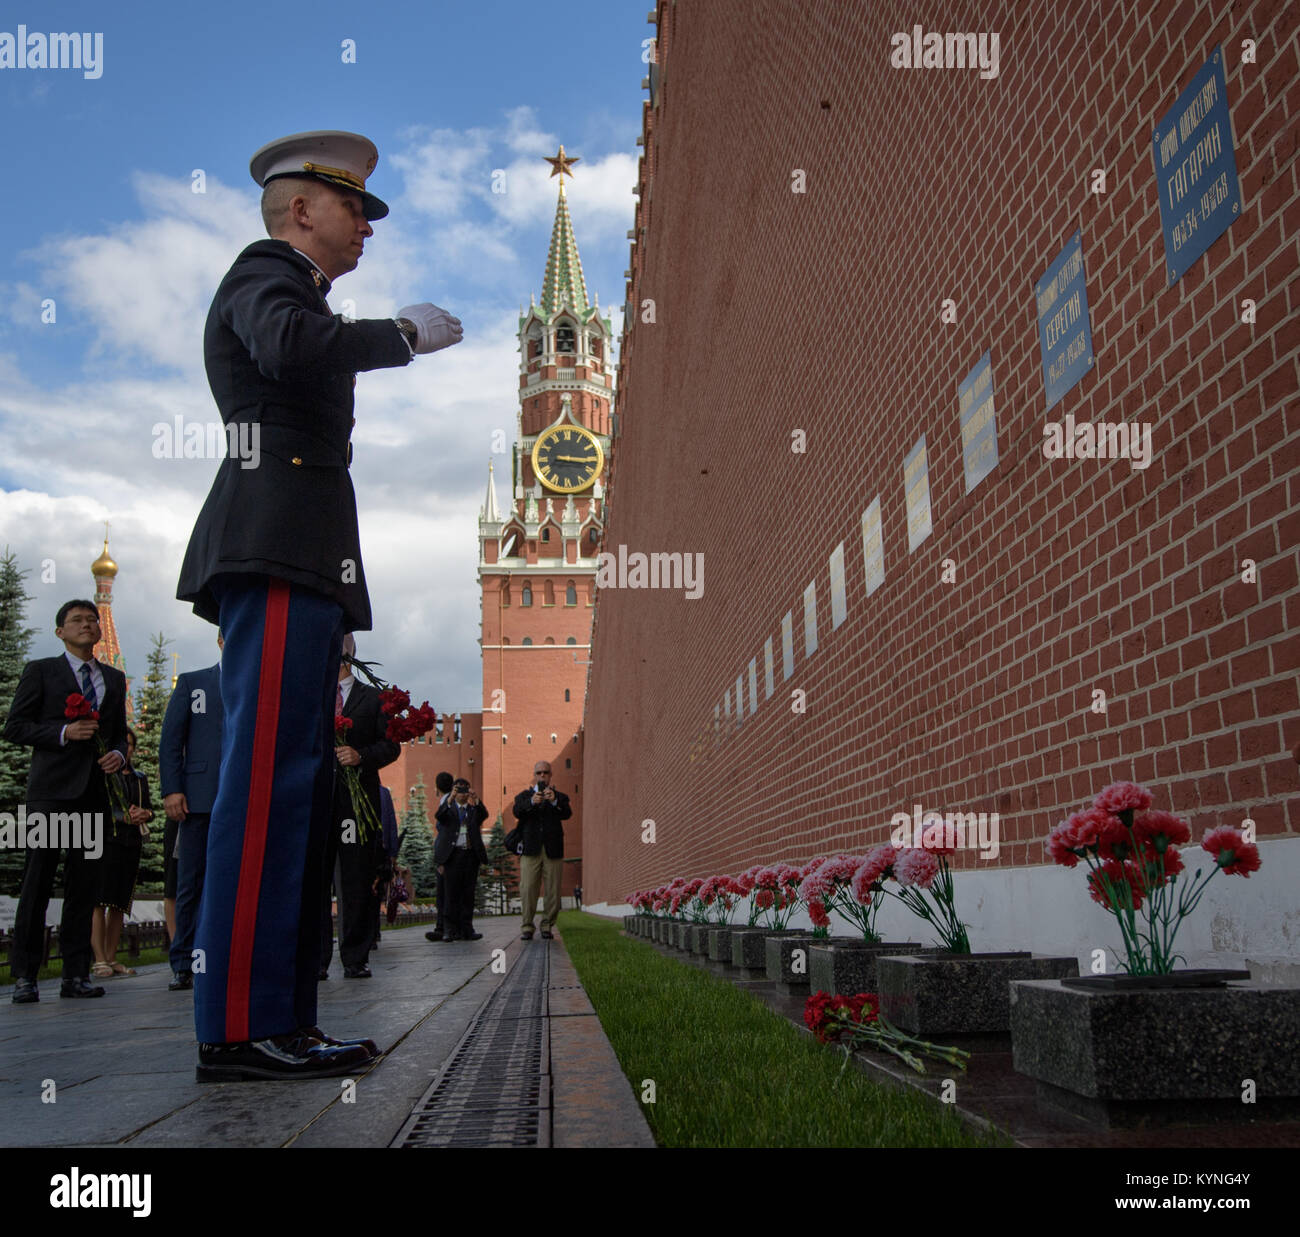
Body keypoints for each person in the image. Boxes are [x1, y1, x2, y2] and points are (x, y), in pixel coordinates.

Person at [174, 129, 462, 1081]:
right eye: (354, 210)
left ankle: (281, 1019)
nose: (367, 228)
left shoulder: (299, 284)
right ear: (302, 210)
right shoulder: (266, 272)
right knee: (264, 788)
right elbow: (291, 346)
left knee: (293, 792)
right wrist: (404, 335)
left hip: (304, 556)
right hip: (275, 548)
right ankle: (240, 1023)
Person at [4, 599, 128, 1003]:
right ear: (60, 631)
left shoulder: (112, 677)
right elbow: (15, 727)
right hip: (52, 796)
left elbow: (117, 731)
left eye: (92, 619)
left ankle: (76, 974)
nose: (87, 624)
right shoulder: (41, 672)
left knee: (83, 887)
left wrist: (119, 755)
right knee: (38, 882)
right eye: (77, 620)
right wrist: (62, 733)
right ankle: (25, 975)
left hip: (92, 795)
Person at [320, 634, 398, 979]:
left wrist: (361, 757)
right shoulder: (312, 695)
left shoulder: (374, 699)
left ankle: (354, 956)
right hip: (319, 800)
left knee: (355, 879)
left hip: (358, 803)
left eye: (344, 639)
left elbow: (391, 746)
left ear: (352, 650)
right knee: (316, 881)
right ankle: (315, 960)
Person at [158, 633, 224, 991]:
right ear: (219, 640)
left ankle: (229, 956)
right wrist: (172, 789)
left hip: (244, 800)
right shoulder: (193, 683)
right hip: (197, 801)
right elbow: (170, 742)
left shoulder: (261, 686)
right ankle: (184, 962)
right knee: (191, 884)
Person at [90, 729, 154, 978]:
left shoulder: (139, 778)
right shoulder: (105, 776)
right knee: (100, 901)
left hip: (131, 843)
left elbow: (149, 808)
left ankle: (112, 956)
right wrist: (124, 816)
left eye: (130, 745)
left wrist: (145, 814)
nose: (127, 749)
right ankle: (99, 959)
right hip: (107, 841)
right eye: (123, 744)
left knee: (119, 903)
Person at [512, 762, 571, 941]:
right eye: (539, 773)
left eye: (546, 772)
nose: (542, 776)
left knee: (553, 889)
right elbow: (517, 811)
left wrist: (554, 801)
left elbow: (567, 813)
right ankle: (527, 926)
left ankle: (547, 925)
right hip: (531, 849)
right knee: (528, 888)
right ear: (534, 775)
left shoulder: (560, 797)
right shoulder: (524, 796)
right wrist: (532, 802)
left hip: (553, 849)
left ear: (550, 775)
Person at [433, 779, 488, 941]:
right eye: (459, 790)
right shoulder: (449, 810)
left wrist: (476, 799)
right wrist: (450, 799)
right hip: (453, 856)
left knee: (468, 894)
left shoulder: (472, 810)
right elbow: (439, 816)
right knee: (451, 893)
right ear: (454, 791)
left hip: (470, 855)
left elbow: (484, 815)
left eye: (465, 790)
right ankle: (449, 930)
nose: (463, 794)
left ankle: (467, 929)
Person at [425, 771, 455, 943]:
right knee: (445, 892)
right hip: (449, 853)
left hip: (446, 854)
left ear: (436, 788)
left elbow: (444, 832)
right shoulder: (449, 802)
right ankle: (443, 927)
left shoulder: (448, 803)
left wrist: (440, 859)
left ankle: (444, 929)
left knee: (444, 893)